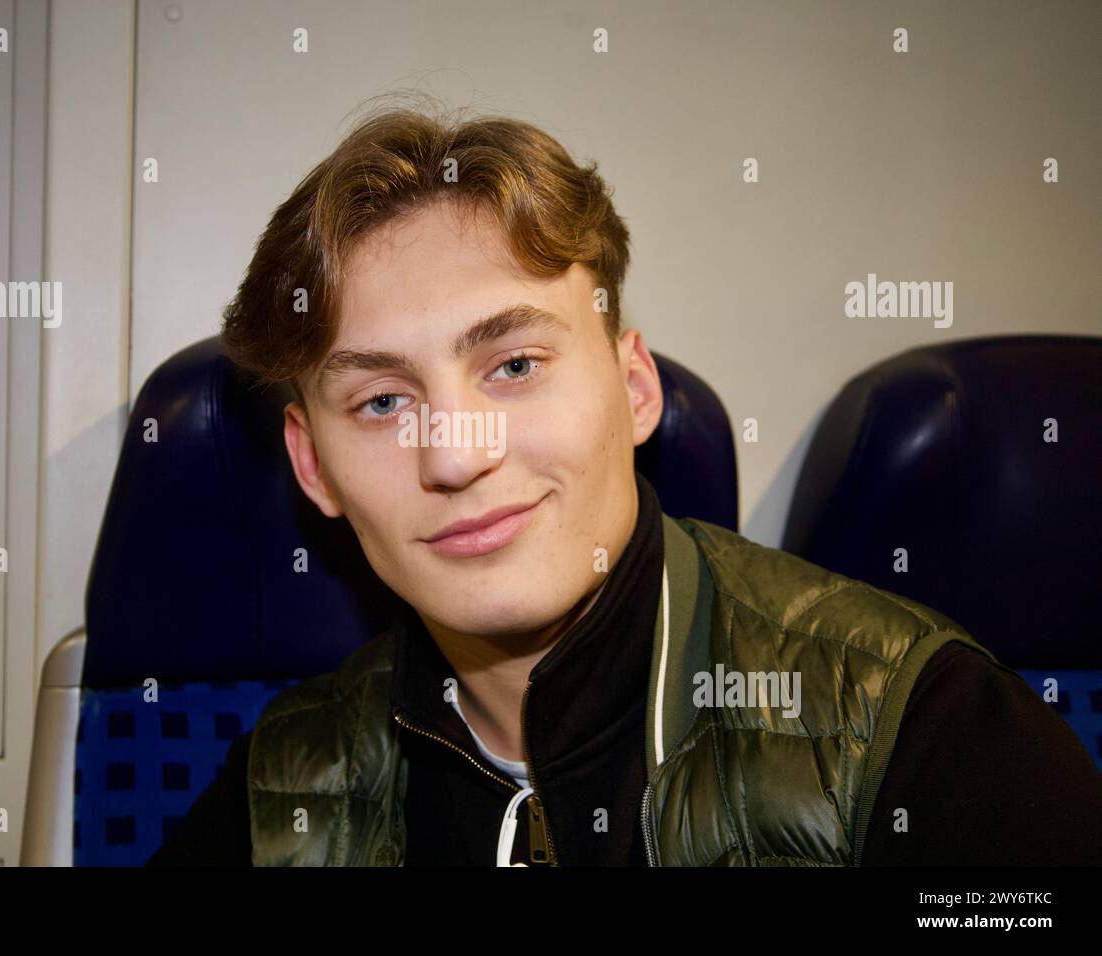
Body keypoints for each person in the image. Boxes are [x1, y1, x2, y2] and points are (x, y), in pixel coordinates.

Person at [148, 100, 1102, 866]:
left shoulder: (920, 735)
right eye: (382, 402)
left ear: (634, 389)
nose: (454, 455)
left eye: (514, 365)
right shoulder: (283, 790)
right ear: (312, 466)